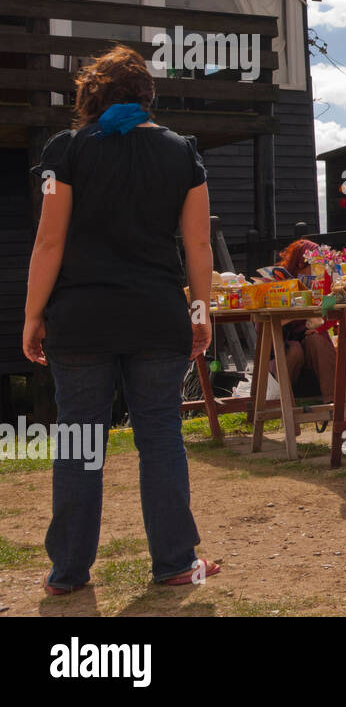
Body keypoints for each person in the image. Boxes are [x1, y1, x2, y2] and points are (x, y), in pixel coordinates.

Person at [23, 45, 220, 595]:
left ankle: (67, 574)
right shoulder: (183, 153)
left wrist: (33, 315)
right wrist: (200, 311)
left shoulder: (64, 151)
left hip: (80, 319)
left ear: (87, 98)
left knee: (80, 442)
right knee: (160, 437)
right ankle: (176, 564)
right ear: (147, 97)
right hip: (157, 317)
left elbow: (49, 239)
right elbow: (199, 242)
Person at [268, 238, 337, 398]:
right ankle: (285, 403)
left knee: (318, 341)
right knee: (294, 350)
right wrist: (297, 312)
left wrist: (319, 327)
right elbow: (264, 327)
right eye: (312, 265)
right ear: (299, 264)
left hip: (308, 342)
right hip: (281, 346)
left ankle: (336, 403)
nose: (316, 271)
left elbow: (331, 315)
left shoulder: (321, 281)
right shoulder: (277, 279)